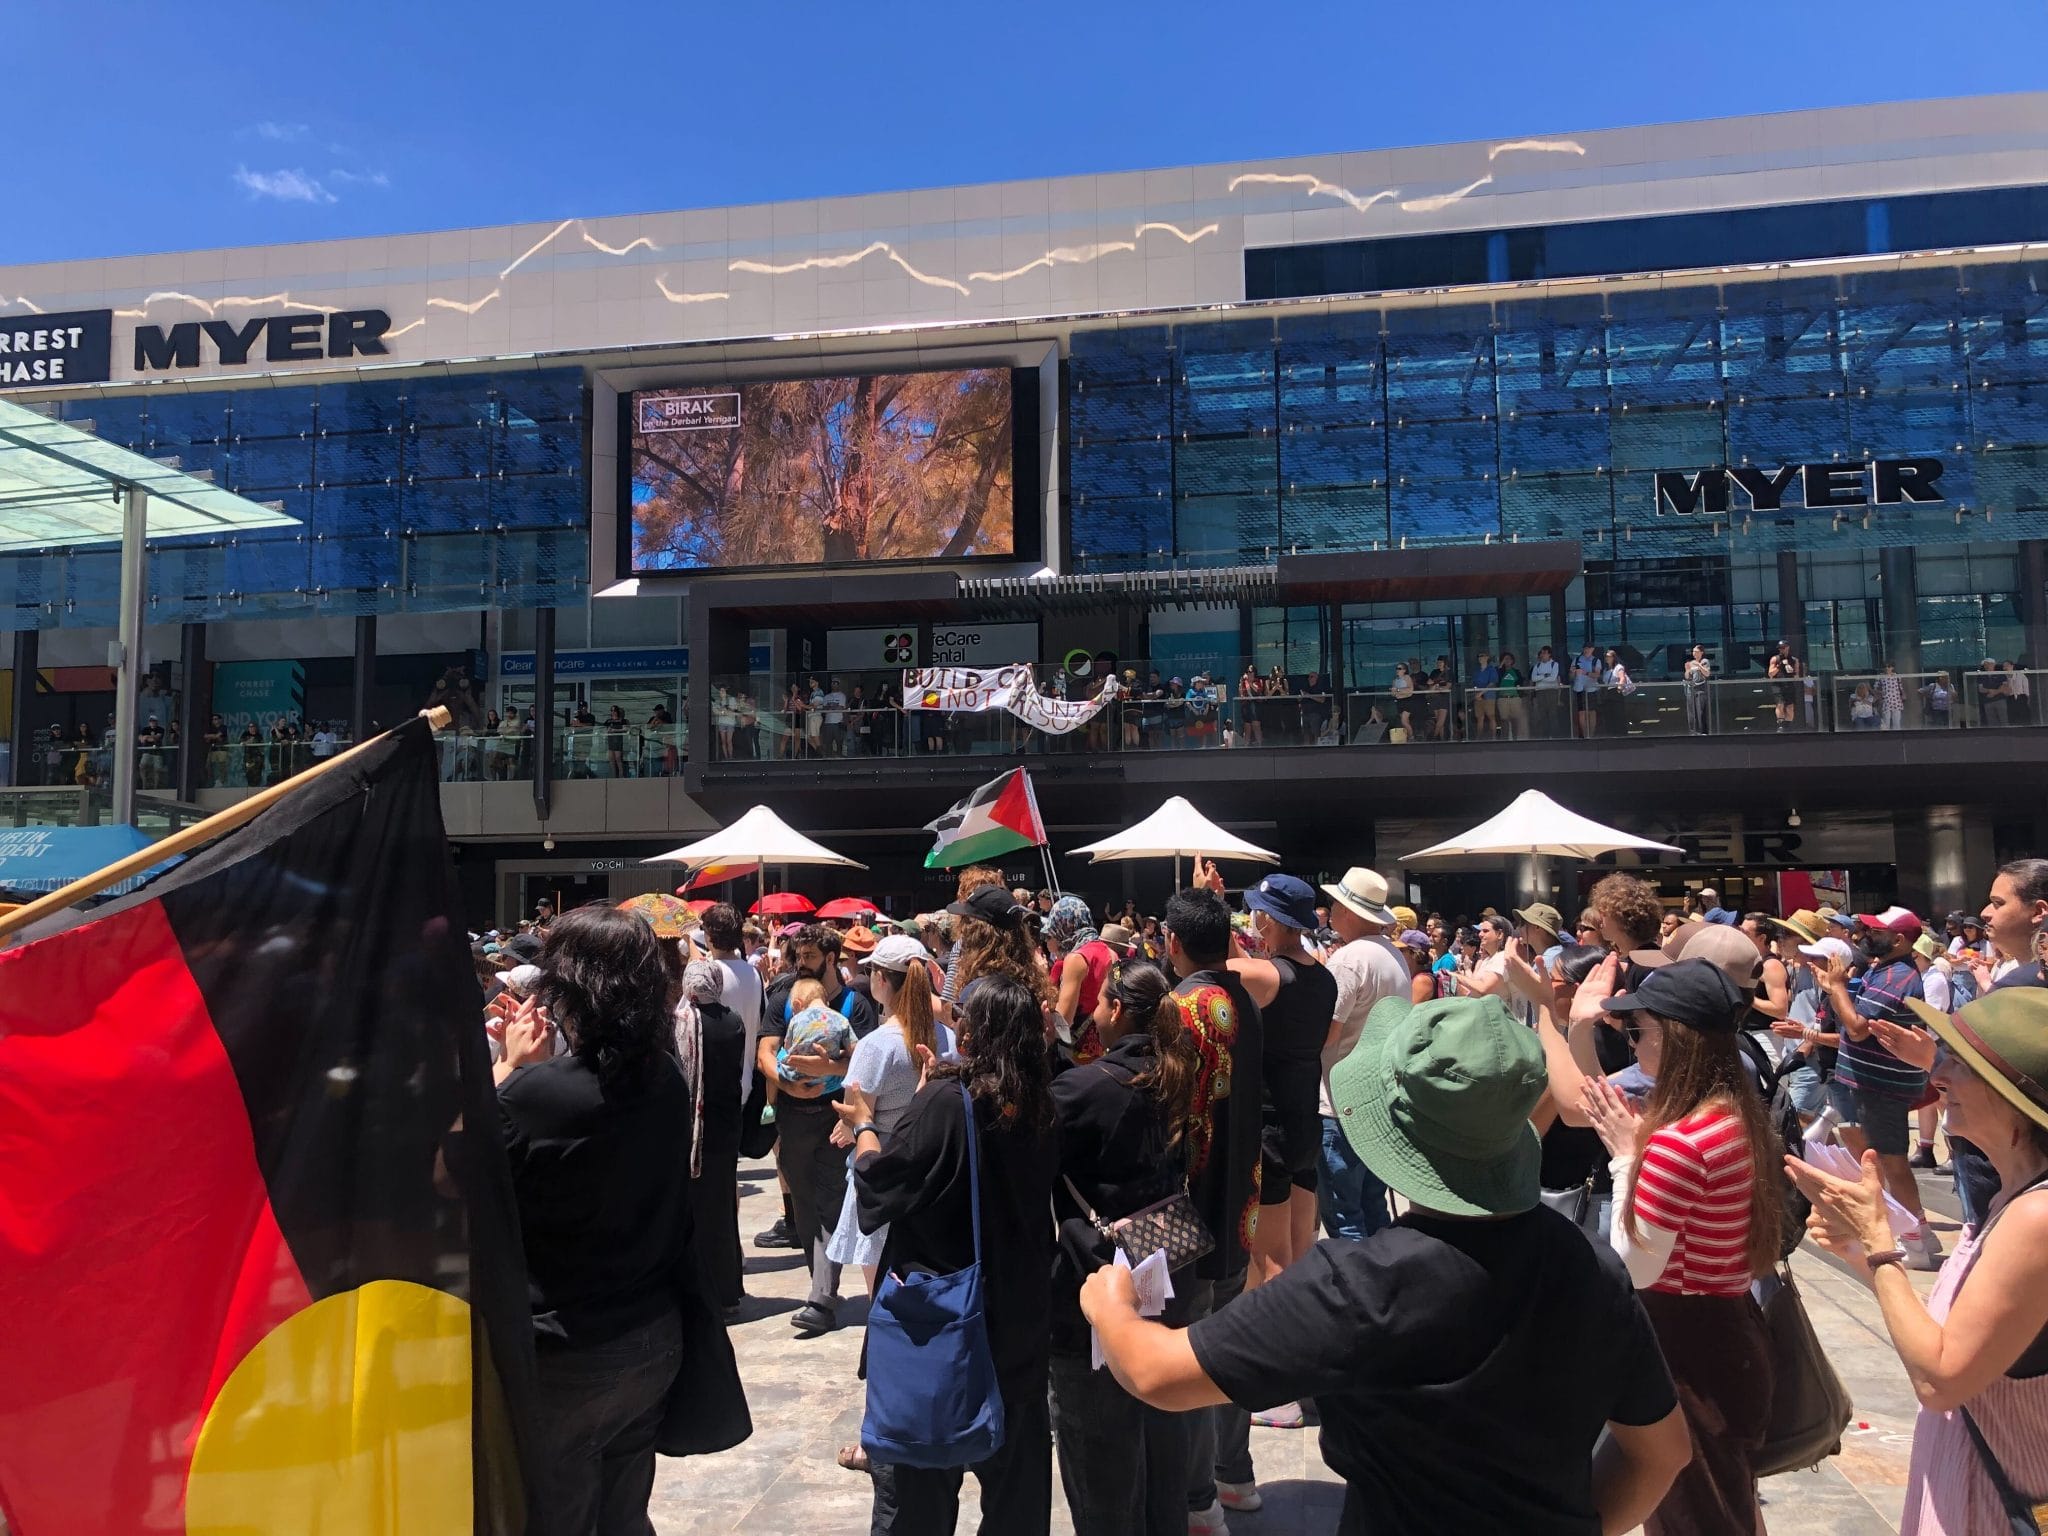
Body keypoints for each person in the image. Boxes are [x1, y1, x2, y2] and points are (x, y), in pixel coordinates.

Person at [1082, 991, 1691, 1536]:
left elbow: (1156, 1374)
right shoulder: (1591, 1266)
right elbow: (1661, 1453)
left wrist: (1112, 1305)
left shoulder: (1355, 1284)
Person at [1787, 987, 2048, 1536]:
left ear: (2014, 1098)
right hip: (1972, 1482)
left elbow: (1941, 1378)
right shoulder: (2014, 1195)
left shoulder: (2036, 1217)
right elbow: (1957, 1332)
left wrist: (1881, 1247)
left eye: (1959, 1064)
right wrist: (1863, 1254)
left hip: (1996, 1502)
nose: (1939, 1077)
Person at [495, 907, 703, 1534]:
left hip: (567, 1352)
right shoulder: (666, 1077)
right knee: (623, 1513)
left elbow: (460, 1184)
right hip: (650, 1336)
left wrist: (508, 1074)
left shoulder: (534, 1097)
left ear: (569, 989)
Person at [851, 977, 1061, 1536]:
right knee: (1017, 1494)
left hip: (942, 1324)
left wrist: (865, 1126)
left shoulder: (947, 1102)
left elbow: (879, 1188)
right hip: (1019, 1320)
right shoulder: (1043, 1102)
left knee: (917, 1497)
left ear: (973, 1032)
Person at [1579, 959, 1782, 1536]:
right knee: (1722, 1507)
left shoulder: (1679, 1143)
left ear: (1674, 1037)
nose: (1632, 1042)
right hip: (1728, 1329)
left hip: (1684, 1347)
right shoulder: (1733, 1116)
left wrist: (1626, 1158)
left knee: (1698, 1516)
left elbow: (1638, 1265)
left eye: (1639, 1029)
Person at [1047, 958, 1203, 1536]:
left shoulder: (1081, 1089)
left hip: (1097, 1280)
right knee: (1162, 1431)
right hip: (1169, 1265)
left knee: (1097, 1448)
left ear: (1113, 1009)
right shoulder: (1179, 1071)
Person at [1212, 871, 1336, 1443]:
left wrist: (1213, 904)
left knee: (1270, 1262)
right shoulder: (1322, 977)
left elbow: (1215, 960)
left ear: (1272, 921)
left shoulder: (1265, 974)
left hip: (1268, 1127)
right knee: (1301, 1252)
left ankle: (1280, 1389)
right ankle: (1305, 1365)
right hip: (1304, 1119)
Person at [1159, 887, 1266, 1535]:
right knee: (1230, 1350)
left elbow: (1171, 1115)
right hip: (1240, 1204)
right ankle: (1236, 1478)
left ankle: (1199, 1501)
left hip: (1190, 1207)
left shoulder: (1181, 1007)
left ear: (1172, 942)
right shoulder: (1247, 1002)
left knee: (1193, 1357)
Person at [758, 923, 878, 1335]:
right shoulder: (783, 1000)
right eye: (797, 957)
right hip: (793, 1119)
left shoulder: (854, 1006)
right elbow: (765, 1053)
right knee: (805, 1204)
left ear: (830, 958)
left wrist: (830, 1068)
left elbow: (868, 1061)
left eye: (809, 957)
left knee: (831, 1199)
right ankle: (821, 1286)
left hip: (834, 1119)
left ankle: (821, 1298)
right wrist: (788, 1080)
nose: (800, 965)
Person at [1815, 907, 1944, 1269]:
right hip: (1868, 1082)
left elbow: (1856, 1026)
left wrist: (1837, 987)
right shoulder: (1883, 970)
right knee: (1875, 1156)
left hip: (1880, 1086)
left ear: (1900, 940)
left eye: (1876, 930)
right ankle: (1918, 1231)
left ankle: (1916, 1241)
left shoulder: (1899, 977)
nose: (1866, 933)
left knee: (1891, 1159)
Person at [1318, 869, 1408, 1245]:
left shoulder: (1349, 959)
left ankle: (1355, 1297)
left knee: (1344, 1214)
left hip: (1340, 1105)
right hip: (1378, 1099)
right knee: (1373, 1207)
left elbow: (1327, 1033)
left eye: (1336, 904)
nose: (1331, 911)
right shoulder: (1393, 956)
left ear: (1350, 912)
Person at [673, 956, 747, 1317]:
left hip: (688, 1132)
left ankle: (697, 1290)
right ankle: (727, 1289)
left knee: (691, 1212)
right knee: (721, 1211)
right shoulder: (733, 1022)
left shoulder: (679, 1022)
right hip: (724, 1130)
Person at [1047, 895, 1117, 1063]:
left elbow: (1063, 1021)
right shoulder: (1111, 953)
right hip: (1106, 1049)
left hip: (1078, 1055)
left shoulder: (1076, 958)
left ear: (1064, 925)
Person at [1572, 642, 1603, 738]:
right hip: (1579, 688)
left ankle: (1591, 735)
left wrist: (1585, 673)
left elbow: (1597, 674)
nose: (1586, 650)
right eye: (1585, 648)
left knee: (1591, 712)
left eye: (1589, 648)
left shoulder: (1596, 661)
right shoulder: (1576, 660)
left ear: (1592, 649)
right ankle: (1585, 734)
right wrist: (1574, 672)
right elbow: (1571, 674)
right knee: (1581, 712)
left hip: (1591, 688)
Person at [1682, 645, 1711, 734]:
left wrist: (1698, 665)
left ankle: (1703, 731)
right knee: (1691, 711)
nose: (1694, 653)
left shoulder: (1704, 661)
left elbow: (1707, 673)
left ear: (1701, 652)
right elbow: (1687, 677)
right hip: (1692, 689)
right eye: (1693, 652)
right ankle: (1692, 731)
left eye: (1696, 651)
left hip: (1701, 689)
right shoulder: (1691, 663)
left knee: (1700, 711)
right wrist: (1687, 670)